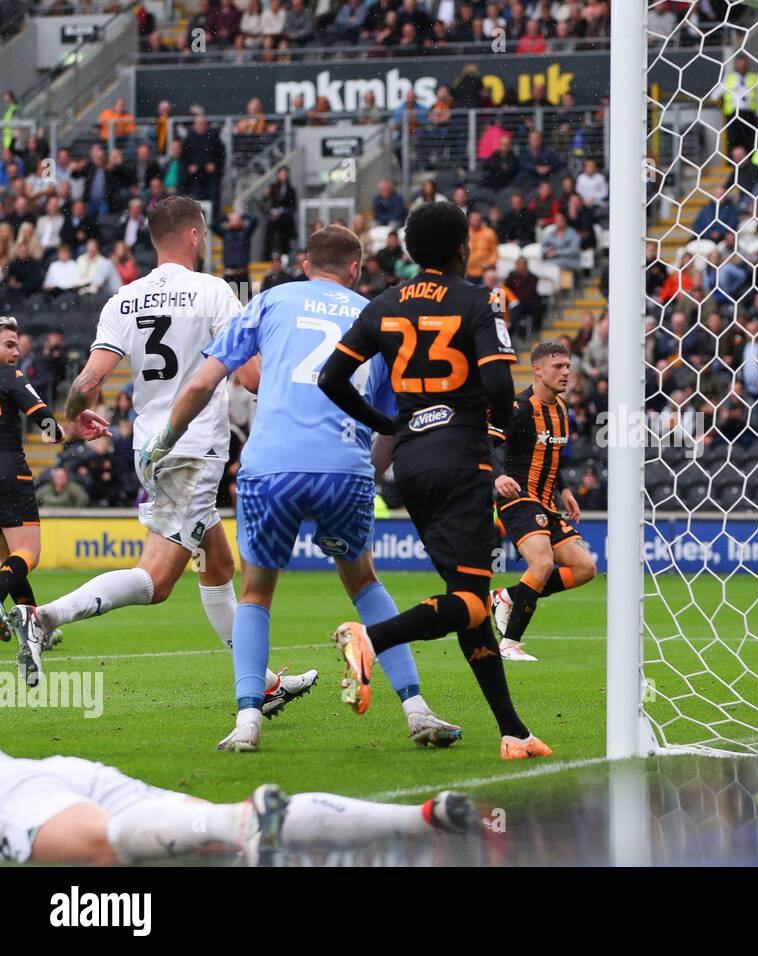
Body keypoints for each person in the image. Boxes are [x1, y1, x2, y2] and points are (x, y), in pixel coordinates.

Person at [144, 226, 459, 753]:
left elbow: (202, 383)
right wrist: (368, 471)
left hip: (272, 469)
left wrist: (162, 444)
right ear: (355, 268)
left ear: (304, 263)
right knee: (364, 584)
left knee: (256, 593)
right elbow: (390, 422)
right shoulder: (376, 313)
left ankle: (247, 723)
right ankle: (416, 709)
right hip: (344, 467)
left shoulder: (272, 300)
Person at [9, 197, 316, 718]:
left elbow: (87, 381)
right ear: (195, 236)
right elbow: (250, 375)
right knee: (157, 580)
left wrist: (76, 417)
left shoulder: (123, 299)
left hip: (151, 448)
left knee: (218, 563)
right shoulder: (214, 292)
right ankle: (44, 618)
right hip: (193, 450)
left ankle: (261, 684)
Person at [316, 201, 551, 760]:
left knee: (466, 602)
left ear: (410, 251)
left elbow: (332, 378)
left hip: (413, 463)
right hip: (462, 458)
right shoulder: (478, 300)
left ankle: (513, 731)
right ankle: (370, 638)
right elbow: (497, 384)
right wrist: (502, 428)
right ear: (462, 248)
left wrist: (390, 422)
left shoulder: (384, 303)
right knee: (471, 600)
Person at [0, 748, 473, 866]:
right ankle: (421, 817)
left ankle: (244, 819)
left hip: (11, 788)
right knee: (208, 832)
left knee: (106, 843)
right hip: (48, 770)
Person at [489, 341, 597, 662]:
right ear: (537, 369)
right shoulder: (519, 407)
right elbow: (489, 445)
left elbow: (550, 456)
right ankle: (509, 643)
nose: (566, 372)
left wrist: (563, 490)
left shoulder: (563, 411)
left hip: (548, 502)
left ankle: (507, 596)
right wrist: (497, 476)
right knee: (542, 563)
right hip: (518, 498)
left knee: (584, 568)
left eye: (567, 366)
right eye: (558, 366)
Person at [0, 318, 95, 660]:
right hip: (9, 472)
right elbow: (46, 425)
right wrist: (71, 431)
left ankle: (34, 628)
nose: (16, 350)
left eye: (17, 344)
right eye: (9, 345)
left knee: (7, 560)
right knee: (29, 554)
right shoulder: (10, 375)